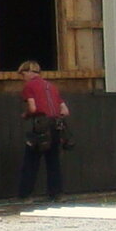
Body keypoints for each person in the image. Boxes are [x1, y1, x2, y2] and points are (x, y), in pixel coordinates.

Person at [16, 59, 69, 201]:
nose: (22, 78)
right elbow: (65, 110)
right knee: (53, 161)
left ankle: (25, 195)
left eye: (22, 74)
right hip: (56, 125)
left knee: (31, 161)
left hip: (40, 126)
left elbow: (33, 108)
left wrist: (25, 115)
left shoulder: (29, 87)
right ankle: (57, 193)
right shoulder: (51, 86)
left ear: (28, 72)